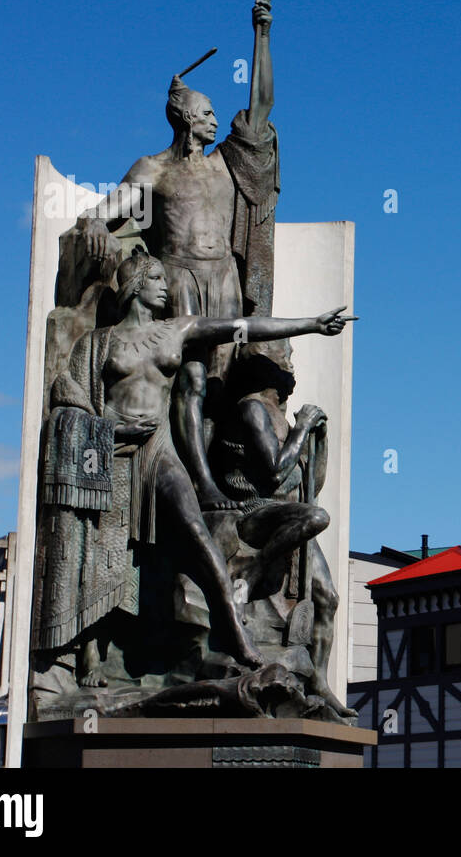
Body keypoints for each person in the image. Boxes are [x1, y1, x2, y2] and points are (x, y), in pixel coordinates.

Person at [36, 251, 348, 684]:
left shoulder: (176, 330)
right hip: (109, 451)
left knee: (196, 530)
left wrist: (311, 324)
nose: (165, 286)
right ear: (134, 285)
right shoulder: (97, 344)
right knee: (101, 546)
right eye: (156, 278)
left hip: (157, 448)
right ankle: (90, 650)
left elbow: (242, 329)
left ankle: (234, 630)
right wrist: (109, 431)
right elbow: (72, 401)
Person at [73, 0, 278, 510]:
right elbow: (109, 210)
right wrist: (93, 223)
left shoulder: (228, 163)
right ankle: (196, 484)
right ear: (185, 117)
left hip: (224, 279)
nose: (215, 122)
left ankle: (219, 477)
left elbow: (262, 104)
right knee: (187, 378)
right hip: (178, 278)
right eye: (206, 114)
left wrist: (262, 33)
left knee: (220, 385)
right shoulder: (154, 169)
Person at [211, 340, 354, 718]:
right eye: (284, 354)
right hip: (256, 510)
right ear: (267, 365)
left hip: (288, 512)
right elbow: (274, 472)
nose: (291, 360)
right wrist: (303, 428)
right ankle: (252, 571)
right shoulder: (252, 409)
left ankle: (319, 680)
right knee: (317, 518)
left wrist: (317, 438)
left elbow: (311, 486)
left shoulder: (282, 415)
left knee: (329, 598)